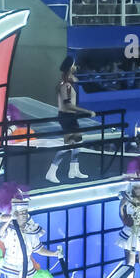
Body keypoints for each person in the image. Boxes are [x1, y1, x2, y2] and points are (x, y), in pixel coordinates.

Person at [47, 56, 93, 184]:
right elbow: (68, 105)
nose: (75, 67)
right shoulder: (65, 85)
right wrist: (86, 111)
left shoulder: (69, 83)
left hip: (71, 117)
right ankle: (51, 172)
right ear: (69, 67)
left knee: (77, 143)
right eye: (73, 65)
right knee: (67, 145)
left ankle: (73, 170)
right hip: (66, 117)